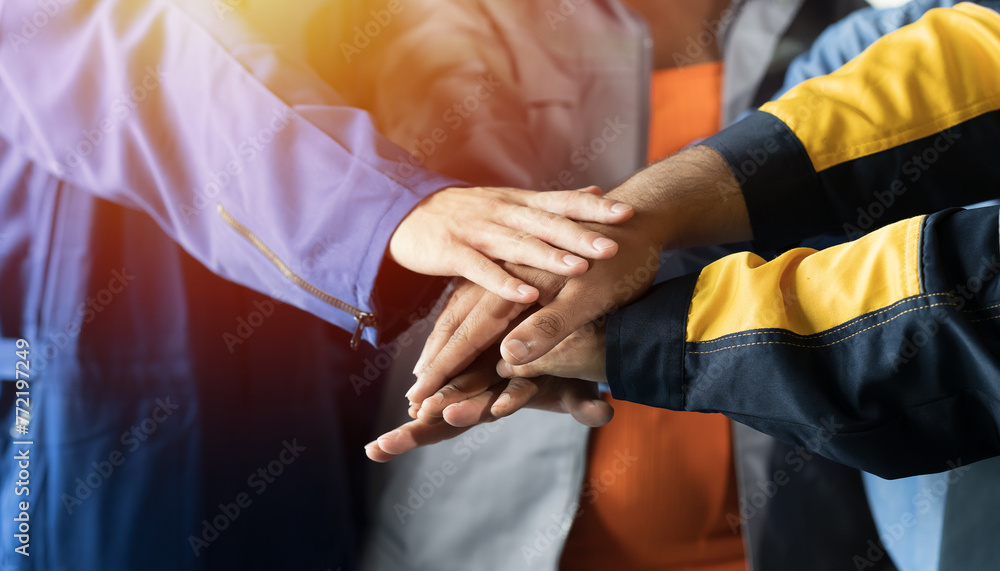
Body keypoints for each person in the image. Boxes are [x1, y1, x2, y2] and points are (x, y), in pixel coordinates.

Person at [0, 1, 637, 569]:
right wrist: (395, 209)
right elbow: (122, 54)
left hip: (334, 377)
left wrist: (502, 287)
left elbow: (424, 50)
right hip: (123, 368)